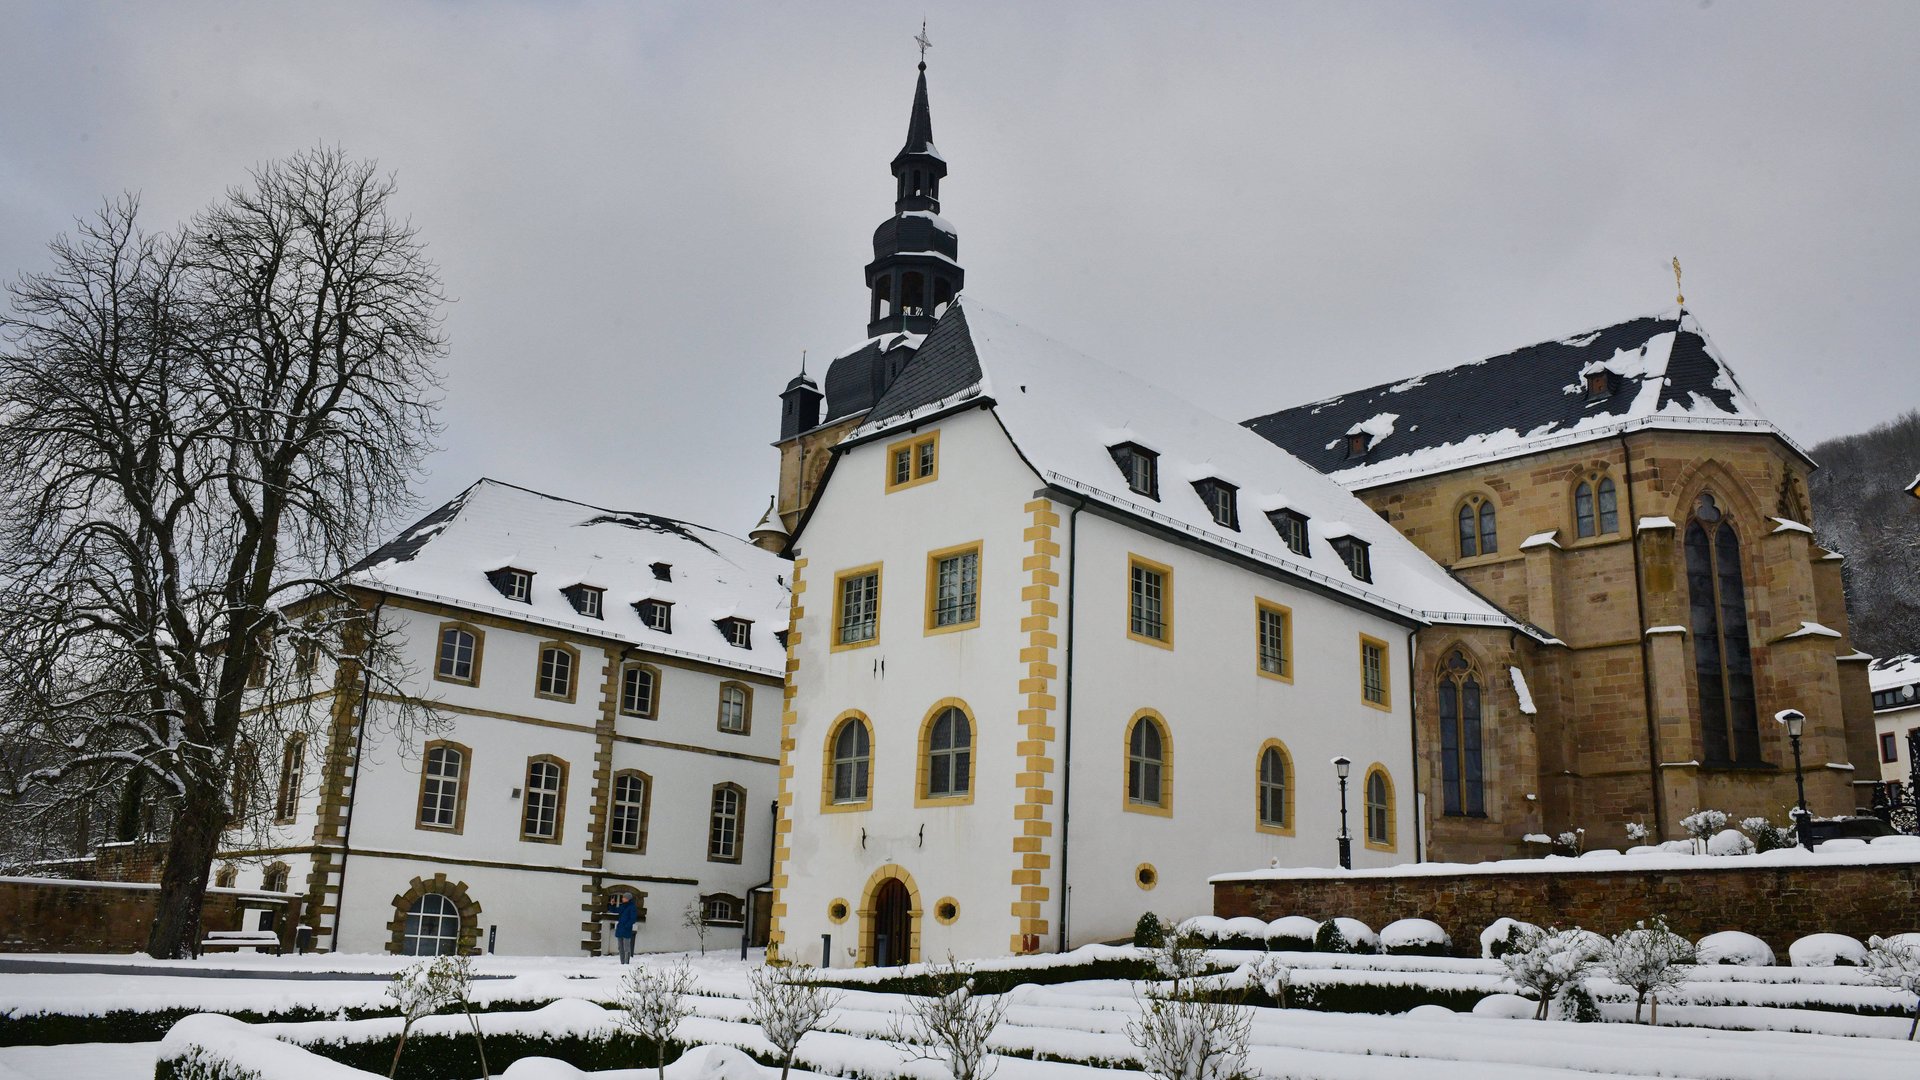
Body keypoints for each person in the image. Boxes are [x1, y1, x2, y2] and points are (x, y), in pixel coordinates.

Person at [607, 890, 639, 964]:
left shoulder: (632, 907)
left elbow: (633, 919)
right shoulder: (623, 906)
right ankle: (622, 962)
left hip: (626, 929)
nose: (622, 898)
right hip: (620, 929)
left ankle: (626, 963)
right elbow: (615, 910)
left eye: (624, 897)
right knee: (620, 947)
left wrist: (626, 925)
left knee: (626, 947)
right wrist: (612, 904)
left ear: (627, 899)